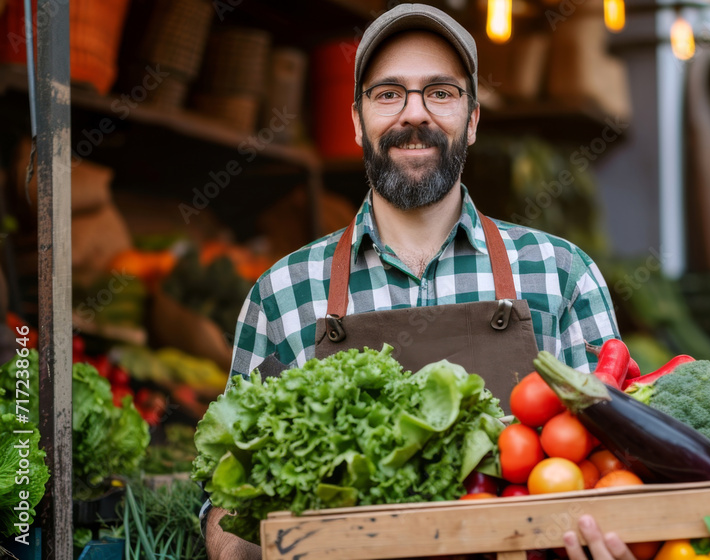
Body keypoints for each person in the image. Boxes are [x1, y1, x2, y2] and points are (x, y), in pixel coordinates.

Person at [204, 4, 629, 559]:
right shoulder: (281, 294)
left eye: (440, 92)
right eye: (388, 94)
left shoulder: (562, 275)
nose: (414, 114)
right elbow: (229, 501)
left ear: (472, 120)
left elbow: (616, 467)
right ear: (356, 120)